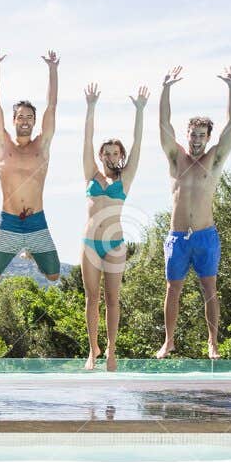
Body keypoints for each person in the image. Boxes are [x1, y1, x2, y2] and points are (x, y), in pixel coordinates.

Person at [156, 64, 231, 359]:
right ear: (187, 133)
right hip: (178, 236)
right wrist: (165, 89)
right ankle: (168, 342)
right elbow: (163, 125)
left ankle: (213, 343)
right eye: (193, 133)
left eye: (201, 135)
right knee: (172, 289)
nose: (196, 139)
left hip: (205, 235)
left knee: (209, 290)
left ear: (207, 137)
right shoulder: (175, 157)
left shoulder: (214, 160)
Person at [81, 82, 149, 371]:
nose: (110, 157)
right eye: (106, 153)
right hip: (89, 244)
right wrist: (91, 107)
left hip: (115, 244)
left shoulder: (125, 179)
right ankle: (92, 351)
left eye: (114, 153)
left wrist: (140, 111)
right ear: (100, 156)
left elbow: (138, 144)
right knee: (91, 299)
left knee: (112, 299)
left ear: (120, 156)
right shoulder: (91, 173)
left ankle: (111, 350)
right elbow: (86, 139)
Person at [0, 49, 61, 284]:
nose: (25, 120)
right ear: (13, 120)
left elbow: (52, 107)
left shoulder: (42, 146)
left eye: (29, 117)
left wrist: (53, 70)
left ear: (34, 122)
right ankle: (20, 247)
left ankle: (33, 253)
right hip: (9, 221)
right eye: (20, 116)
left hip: (36, 220)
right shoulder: (3, 145)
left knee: (54, 274)